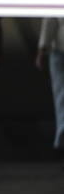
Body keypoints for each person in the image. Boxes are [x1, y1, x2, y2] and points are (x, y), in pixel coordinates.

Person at [35, 17, 64, 160]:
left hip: (59, 48)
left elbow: (50, 21)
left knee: (61, 97)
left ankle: (62, 136)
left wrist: (42, 48)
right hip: (59, 48)